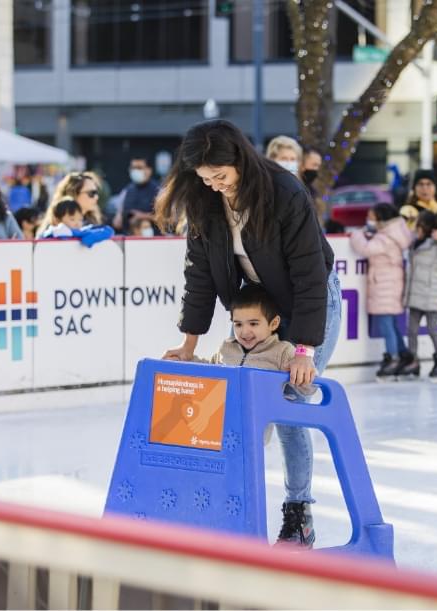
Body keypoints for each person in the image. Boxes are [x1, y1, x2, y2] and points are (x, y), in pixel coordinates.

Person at [156, 119, 340, 549]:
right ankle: (232, 500)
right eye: (204, 178)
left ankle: (299, 514)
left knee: (289, 401)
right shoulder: (205, 202)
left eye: (220, 176)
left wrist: (304, 349)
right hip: (261, 306)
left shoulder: (285, 193)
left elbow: (310, 277)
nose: (215, 185)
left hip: (310, 300)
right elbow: (199, 274)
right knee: (239, 404)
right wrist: (188, 343)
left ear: (239, 160)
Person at [350, 203, 415, 380]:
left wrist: (357, 234)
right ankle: (405, 356)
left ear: (380, 218)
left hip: (384, 286)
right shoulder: (392, 233)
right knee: (391, 323)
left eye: (371, 216)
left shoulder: (386, 238)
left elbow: (365, 249)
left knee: (386, 325)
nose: (368, 220)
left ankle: (393, 358)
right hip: (390, 284)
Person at [400, 210, 437, 381]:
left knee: (433, 329)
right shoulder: (414, 242)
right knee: (412, 329)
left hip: (432, 292)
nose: (417, 227)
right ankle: (413, 361)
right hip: (415, 293)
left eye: (419, 224)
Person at [39, 172, 104, 236]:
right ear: (73, 193)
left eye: (96, 192)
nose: (96, 197)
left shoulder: (93, 225)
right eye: (91, 193)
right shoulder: (52, 231)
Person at [119, 157, 160, 234]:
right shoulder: (127, 190)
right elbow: (118, 221)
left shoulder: (159, 191)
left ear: (149, 170)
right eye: (133, 168)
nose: (136, 171)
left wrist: (142, 216)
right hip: (130, 237)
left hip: (155, 237)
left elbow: (167, 219)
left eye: (139, 168)